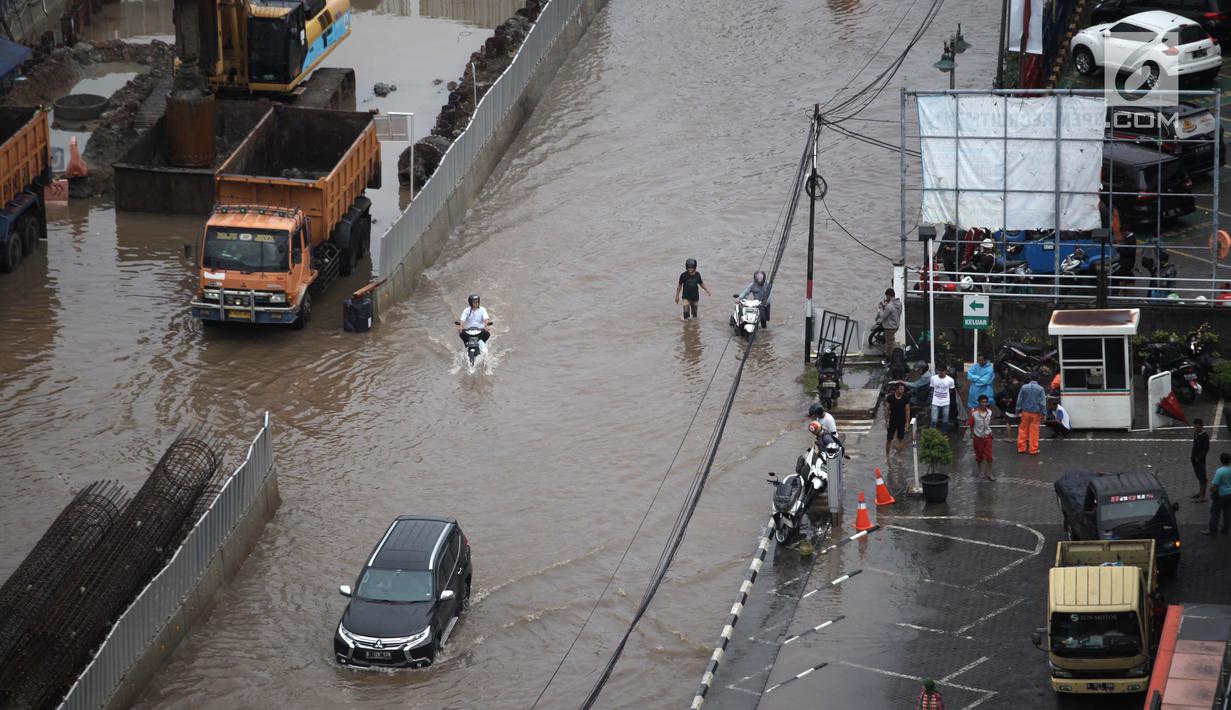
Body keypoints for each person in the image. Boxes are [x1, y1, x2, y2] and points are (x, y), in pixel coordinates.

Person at [1200, 452, 1231, 536]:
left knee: (1215, 512)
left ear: (1221, 460)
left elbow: (1215, 485)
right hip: (1229, 494)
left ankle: (1213, 530)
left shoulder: (1220, 471)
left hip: (1221, 495)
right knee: (1227, 512)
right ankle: (1225, 529)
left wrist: (1211, 492)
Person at [1016, 372, 1047, 455]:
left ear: (1030, 378)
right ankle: (1033, 449)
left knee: (1023, 430)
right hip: (1035, 413)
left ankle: (1021, 448)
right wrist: (1044, 413)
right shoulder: (1040, 389)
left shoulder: (1024, 387)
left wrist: (1017, 410)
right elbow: (1043, 402)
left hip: (1025, 411)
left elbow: (1019, 400)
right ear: (1038, 379)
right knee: (1034, 431)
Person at [968, 395, 995, 481]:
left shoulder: (989, 412)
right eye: (982, 402)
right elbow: (971, 425)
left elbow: (988, 424)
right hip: (978, 437)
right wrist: (972, 435)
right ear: (979, 403)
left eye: (985, 402)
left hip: (988, 436)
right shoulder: (974, 413)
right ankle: (980, 471)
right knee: (979, 455)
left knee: (989, 456)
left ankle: (990, 473)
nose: (984, 404)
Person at [884, 382, 910, 460]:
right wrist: (886, 420)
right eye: (901, 389)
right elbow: (887, 409)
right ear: (896, 390)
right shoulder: (890, 397)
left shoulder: (905, 398)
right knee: (889, 439)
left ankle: (899, 456)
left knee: (900, 439)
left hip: (901, 421)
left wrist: (907, 423)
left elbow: (907, 410)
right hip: (892, 420)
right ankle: (887, 456)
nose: (902, 391)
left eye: (903, 389)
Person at [929, 365, 956, 431]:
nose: (941, 373)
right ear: (937, 371)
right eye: (939, 371)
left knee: (945, 419)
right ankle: (932, 433)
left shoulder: (950, 380)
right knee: (934, 419)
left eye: (942, 371)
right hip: (935, 401)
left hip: (945, 402)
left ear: (945, 371)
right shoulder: (933, 378)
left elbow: (951, 390)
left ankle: (945, 433)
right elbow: (932, 388)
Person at [877, 288, 902, 360]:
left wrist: (880, 308)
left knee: (889, 344)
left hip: (889, 327)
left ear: (888, 296)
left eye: (886, 296)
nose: (886, 298)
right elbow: (895, 312)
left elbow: (883, 316)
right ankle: (890, 355)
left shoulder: (889, 306)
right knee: (891, 341)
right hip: (895, 325)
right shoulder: (899, 303)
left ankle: (889, 358)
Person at [1191, 418, 1210, 503]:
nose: (1196, 429)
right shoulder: (1195, 433)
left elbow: (1206, 449)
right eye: (1195, 427)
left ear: (1202, 427)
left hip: (1200, 460)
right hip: (1194, 459)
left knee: (1203, 478)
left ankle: (1203, 496)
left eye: (1198, 427)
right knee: (1199, 476)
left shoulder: (1205, 436)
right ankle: (1200, 492)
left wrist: (1199, 458)